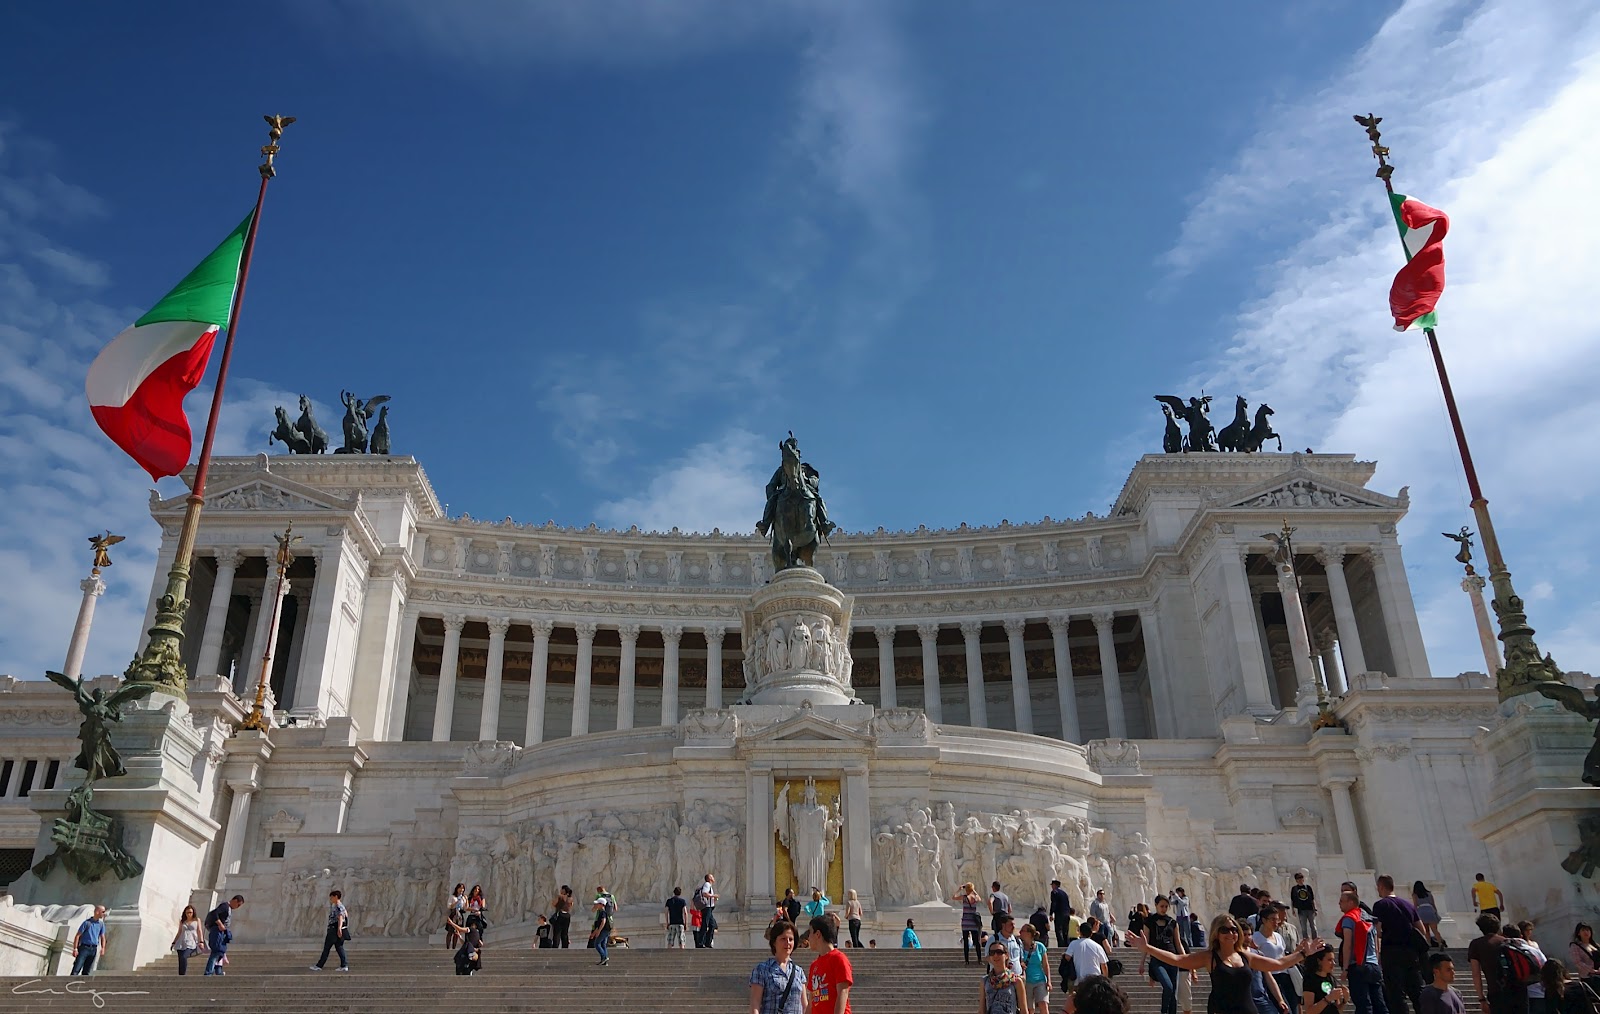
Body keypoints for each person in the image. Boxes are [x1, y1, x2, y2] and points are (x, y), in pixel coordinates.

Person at [1127, 914, 1321, 1014]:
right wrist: (1147, 949)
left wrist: (1303, 953)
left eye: (1233, 930)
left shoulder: (1246, 956)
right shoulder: (1209, 957)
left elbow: (1277, 964)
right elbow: (1178, 960)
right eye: (1225, 930)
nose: (1231, 933)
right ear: (1216, 934)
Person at [1373, 875, 1424, 1014]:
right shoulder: (1408, 904)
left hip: (1391, 953)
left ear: (1381, 887)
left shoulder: (1380, 905)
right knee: (1417, 992)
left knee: (1396, 995)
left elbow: (1377, 931)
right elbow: (1422, 930)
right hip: (1411, 953)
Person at [1338, 889, 1389, 1014]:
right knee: (1379, 1004)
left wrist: (1345, 968)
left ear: (1350, 903)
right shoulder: (1369, 919)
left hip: (1358, 966)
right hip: (1373, 966)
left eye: (1341, 901)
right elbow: (1377, 947)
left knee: (1363, 1005)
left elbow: (1348, 945)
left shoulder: (1348, 919)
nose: (1339, 904)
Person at [750, 919, 807, 1014]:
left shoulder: (799, 971)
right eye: (783, 939)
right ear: (774, 942)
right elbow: (755, 1004)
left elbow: (804, 1005)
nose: (788, 943)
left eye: (791, 939)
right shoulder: (761, 969)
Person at [1255, 904, 1299, 1014]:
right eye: (1272, 919)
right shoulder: (1256, 937)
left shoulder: (1278, 936)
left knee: (1293, 1006)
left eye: (1277, 919)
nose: (1276, 922)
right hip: (1270, 976)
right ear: (1264, 920)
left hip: (1285, 975)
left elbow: (1282, 956)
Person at [1147, 894, 1187, 1014]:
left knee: (1173, 991)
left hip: (1172, 958)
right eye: (1161, 906)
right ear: (1156, 906)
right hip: (1157, 959)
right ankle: (1164, 1012)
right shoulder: (1149, 921)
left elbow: (1178, 943)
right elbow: (1146, 943)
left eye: (1166, 906)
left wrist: (1186, 959)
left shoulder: (1172, 922)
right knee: (1168, 987)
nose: (1163, 909)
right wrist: (1142, 962)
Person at [807, 915, 854, 1014]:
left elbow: (843, 993)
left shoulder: (839, 959)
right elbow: (811, 1001)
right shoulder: (814, 965)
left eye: (810, 932)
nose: (808, 938)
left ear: (817, 934)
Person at [984, 938, 1032, 1014]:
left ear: (1006, 955)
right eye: (992, 953)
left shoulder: (1016, 981)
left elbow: (1024, 1010)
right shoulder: (985, 981)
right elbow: (981, 1010)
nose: (995, 955)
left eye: (999, 952)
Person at [1509, 924, 1549, 1014]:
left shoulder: (1504, 951)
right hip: (1539, 992)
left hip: (1518, 994)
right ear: (1521, 935)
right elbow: (1547, 966)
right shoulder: (1533, 950)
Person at [309, 889, 350, 972]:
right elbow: (346, 915)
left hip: (334, 930)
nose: (330, 899)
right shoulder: (341, 906)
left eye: (331, 897)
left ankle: (319, 965)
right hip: (337, 929)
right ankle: (344, 965)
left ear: (336, 897)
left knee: (327, 948)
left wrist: (339, 929)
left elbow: (340, 917)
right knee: (339, 947)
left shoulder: (338, 906)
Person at [1304, 945, 1351, 1014]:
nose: (1333, 963)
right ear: (1319, 961)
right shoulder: (1310, 980)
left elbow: (1338, 1010)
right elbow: (1309, 1011)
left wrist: (1344, 1001)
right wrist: (1328, 998)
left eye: (1333, 960)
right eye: (1329, 960)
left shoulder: (1331, 979)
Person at [203, 896, 243, 976]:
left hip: (221, 932)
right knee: (216, 951)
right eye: (238, 905)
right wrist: (220, 924)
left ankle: (218, 971)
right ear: (234, 901)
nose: (237, 907)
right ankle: (209, 972)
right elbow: (215, 913)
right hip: (218, 931)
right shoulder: (225, 906)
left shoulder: (228, 908)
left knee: (220, 951)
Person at [1020, 923, 1051, 1014]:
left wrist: (1049, 980)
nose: (1020, 932)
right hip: (1026, 981)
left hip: (1040, 979)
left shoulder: (1040, 946)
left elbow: (1046, 965)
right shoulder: (1019, 946)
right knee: (1030, 1009)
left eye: (1022, 931)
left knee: (1043, 1005)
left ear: (1029, 933)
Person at [71, 905, 108, 976]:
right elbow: (78, 936)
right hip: (84, 948)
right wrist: (75, 948)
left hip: (93, 949)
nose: (104, 913)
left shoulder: (101, 924)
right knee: (77, 968)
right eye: (103, 912)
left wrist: (103, 948)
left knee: (87, 970)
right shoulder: (87, 923)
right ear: (97, 912)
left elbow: (102, 937)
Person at [172, 904, 204, 976]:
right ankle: (181, 974)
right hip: (181, 941)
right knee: (180, 959)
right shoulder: (183, 921)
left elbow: (199, 931)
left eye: (190, 912)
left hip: (191, 942)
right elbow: (179, 932)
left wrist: (201, 941)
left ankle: (183, 974)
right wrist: (174, 942)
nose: (189, 914)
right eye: (187, 912)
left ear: (193, 913)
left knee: (184, 956)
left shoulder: (197, 920)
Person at [958, 883, 986, 964]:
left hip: (965, 922)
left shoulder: (964, 898)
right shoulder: (975, 898)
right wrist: (973, 890)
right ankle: (979, 960)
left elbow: (954, 897)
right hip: (973, 922)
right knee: (976, 941)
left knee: (966, 942)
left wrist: (960, 889)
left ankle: (966, 961)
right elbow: (979, 898)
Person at [1412, 883, 1445, 949]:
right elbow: (1433, 904)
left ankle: (1429, 943)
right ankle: (1440, 942)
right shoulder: (1429, 894)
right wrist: (1435, 912)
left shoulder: (1415, 895)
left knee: (1426, 930)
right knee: (1435, 930)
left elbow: (1415, 905)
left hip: (1421, 911)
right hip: (1430, 910)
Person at [1292, 874, 1320, 944]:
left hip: (1310, 909)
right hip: (1301, 910)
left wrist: (1315, 908)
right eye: (1298, 879)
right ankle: (1306, 942)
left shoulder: (1308, 887)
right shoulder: (1294, 889)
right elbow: (1292, 900)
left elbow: (1312, 899)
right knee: (1303, 927)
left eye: (1301, 878)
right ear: (1296, 880)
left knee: (1313, 926)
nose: (1300, 880)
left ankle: (1315, 941)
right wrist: (1293, 910)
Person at [695, 873, 720, 948]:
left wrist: (714, 898)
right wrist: (713, 896)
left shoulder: (709, 886)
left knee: (712, 925)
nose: (713, 878)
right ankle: (700, 942)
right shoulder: (707, 884)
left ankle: (708, 942)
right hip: (707, 908)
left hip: (709, 908)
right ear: (709, 878)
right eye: (712, 876)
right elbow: (704, 893)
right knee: (704, 924)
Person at [590, 891, 613, 966]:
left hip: (604, 930)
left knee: (597, 944)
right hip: (605, 930)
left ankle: (604, 957)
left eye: (597, 904)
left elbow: (603, 922)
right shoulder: (601, 912)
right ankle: (604, 960)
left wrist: (599, 931)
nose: (596, 905)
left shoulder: (602, 912)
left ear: (601, 904)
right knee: (603, 944)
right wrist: (594, 933)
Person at [1052, 880, 1076, 949]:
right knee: (1065, 931)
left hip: (1059, 914)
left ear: (1055, 885)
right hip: (1066, 914)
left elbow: (1054, 903)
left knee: (1058, 930)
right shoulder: (1064, 893)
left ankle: (1061, 946)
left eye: (1052, 885)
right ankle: (1066, 946)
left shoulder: (1054, 892)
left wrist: (1051, 913)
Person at [446, 883, 467, 949]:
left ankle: (454, 947)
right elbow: (449, 906)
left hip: (460, 914)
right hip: (454, 913)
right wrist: (456, 902)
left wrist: (466, 900)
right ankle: (448, 947)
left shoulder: (463, 898)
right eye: (460, 888)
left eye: (463, 888)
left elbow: (465, 908)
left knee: (457, 931)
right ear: (457, 889)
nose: (461, 889)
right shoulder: (453, 897)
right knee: (450, 931)